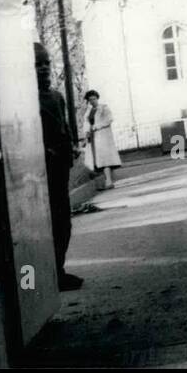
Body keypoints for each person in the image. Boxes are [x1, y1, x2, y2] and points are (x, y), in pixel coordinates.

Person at [35, 42, 84, 291]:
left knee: (64, 222)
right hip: (41, 173)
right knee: (47, 225)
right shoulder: (27, 101)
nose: (43, 68)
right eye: (37, 64)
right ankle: (46, 276)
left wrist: (71, 148)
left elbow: (64, 127)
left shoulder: (57, 97)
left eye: (46, 63)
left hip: (60, 169)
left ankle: (58, 271)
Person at [82, 89, 122, 190]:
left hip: (103, 137)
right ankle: (105, 181)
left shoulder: (104, 108)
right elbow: (86, 123)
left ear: (97, 98)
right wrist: (86, 133)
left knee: (105, 160)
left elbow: (109, 119)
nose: (93, 101)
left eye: (94, 99)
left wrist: (97, 126)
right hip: (93, 139)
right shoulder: (88, 111)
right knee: (96, 161)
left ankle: (108, 181)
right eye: (90, 99)